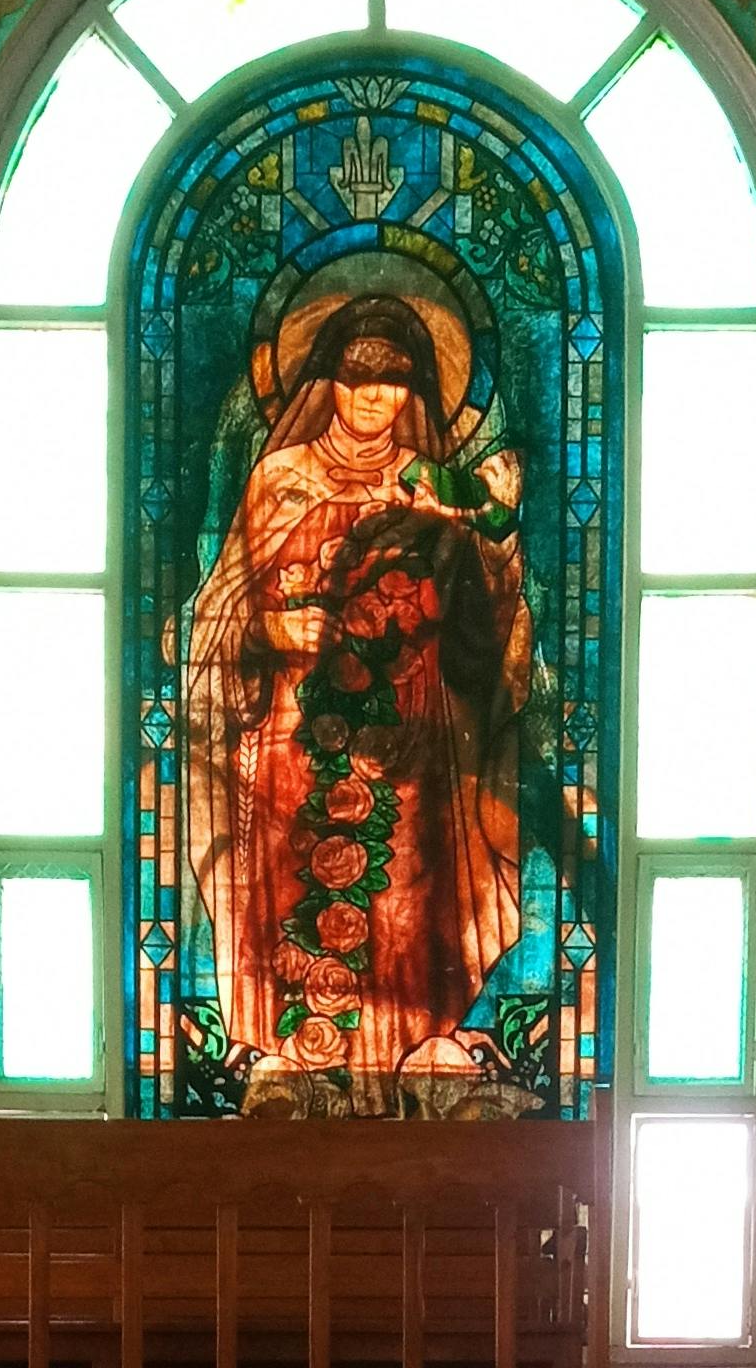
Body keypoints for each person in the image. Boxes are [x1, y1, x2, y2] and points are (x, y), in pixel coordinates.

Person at [181, 295, 533, 1105]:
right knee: (296, 888)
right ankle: (295, 1069)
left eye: (397, 381)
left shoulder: (436, 488)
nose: (375, 397)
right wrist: (282, 625)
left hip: (411, 741)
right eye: (357, 376)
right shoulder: (280, 478)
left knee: (403, 903)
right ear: (326, 379)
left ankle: (405, 1057)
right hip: (291, 734)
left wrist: (494, 533)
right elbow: (229, 600)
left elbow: (481, 626)